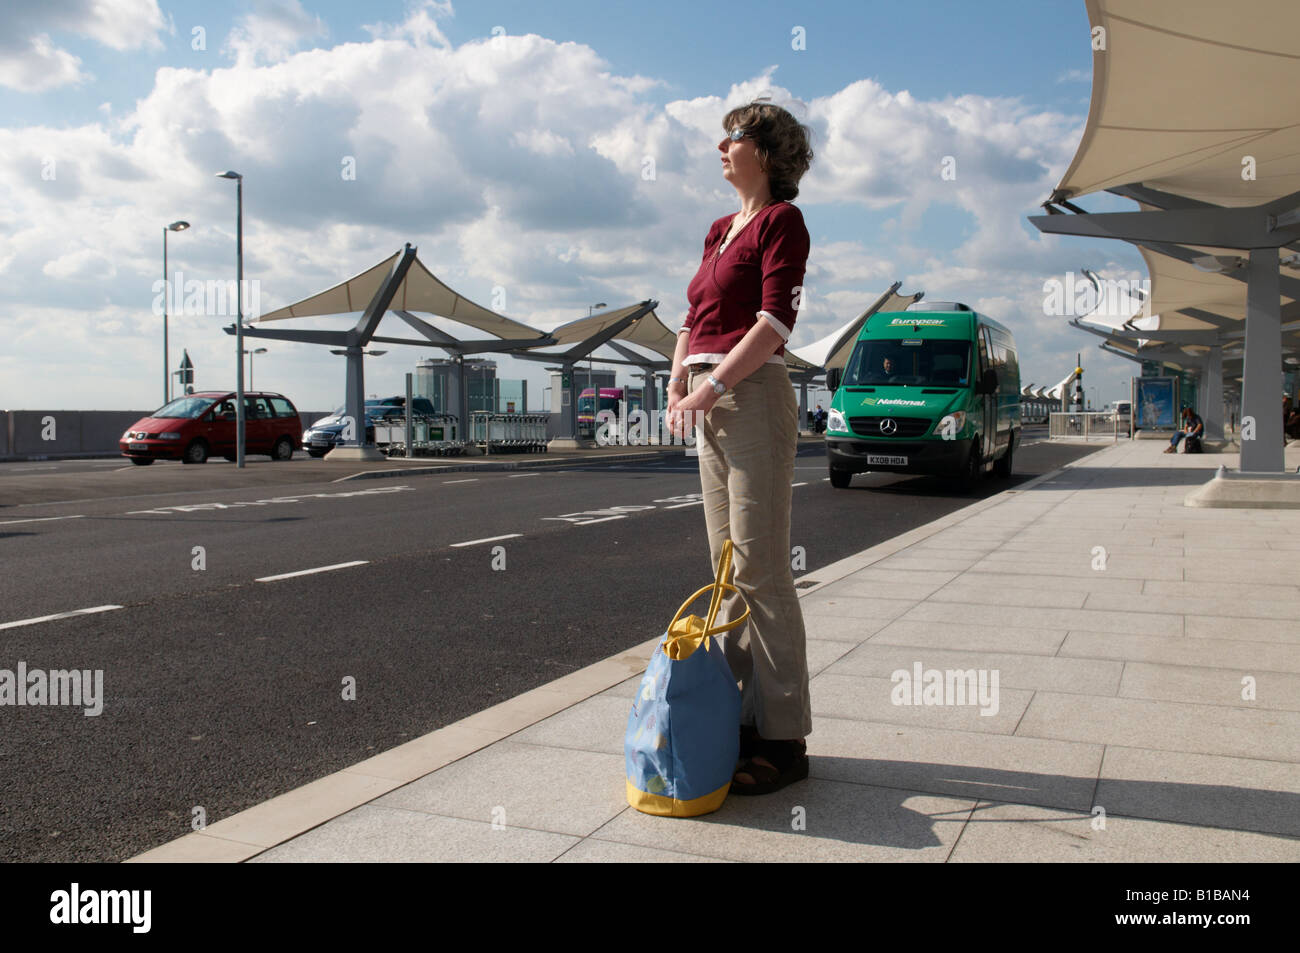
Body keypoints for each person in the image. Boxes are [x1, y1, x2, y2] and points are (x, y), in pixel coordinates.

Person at [667, 100, 814, 796]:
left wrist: (711, 384)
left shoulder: (782, 222)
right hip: (707, 395)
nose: (718, 148)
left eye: (731, 137)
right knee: (725, 569)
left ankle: (784, 738)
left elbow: (775, 321)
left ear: (766, 150)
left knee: (760, 569)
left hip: (751, 396)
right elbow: (694, 314)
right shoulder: (719, 229)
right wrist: (677, 377)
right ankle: (741, 720)